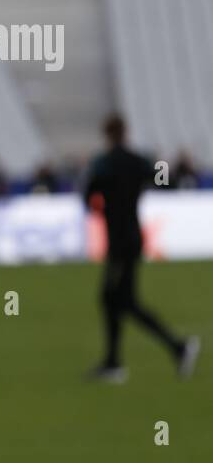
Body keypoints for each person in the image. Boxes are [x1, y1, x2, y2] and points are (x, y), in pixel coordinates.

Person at [83, 114, 200, 383]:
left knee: (118, 300)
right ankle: (118, 362)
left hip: (119, 241)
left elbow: (89, 197)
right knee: (116, 299)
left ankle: (175, 348)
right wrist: (163, 163)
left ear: (107, 135)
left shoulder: (104, 164)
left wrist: (103, 206)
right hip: (134, 237)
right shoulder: (139, 161)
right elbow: (166, 181)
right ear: (125, 132)